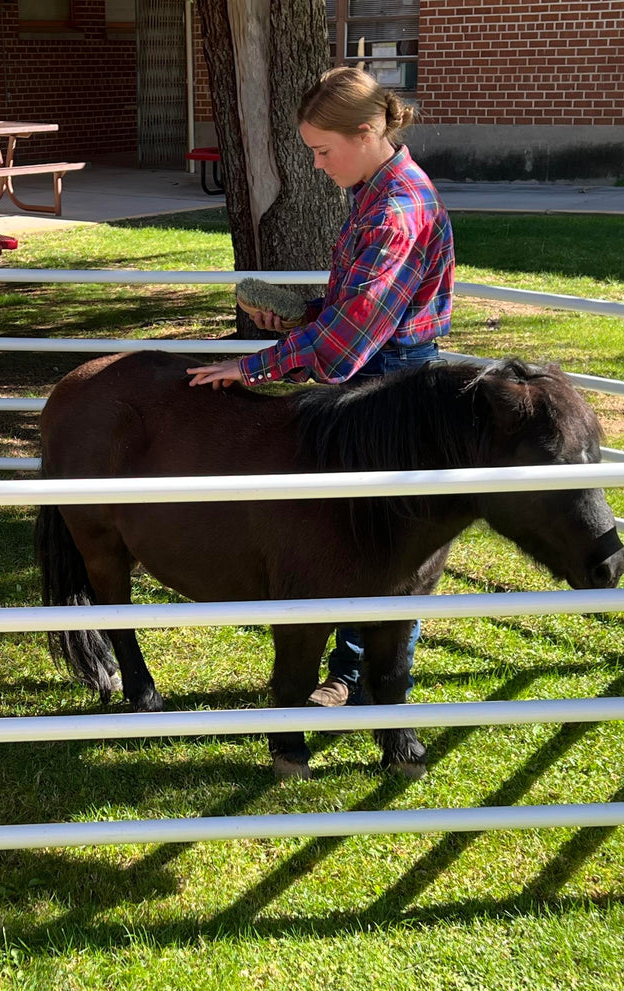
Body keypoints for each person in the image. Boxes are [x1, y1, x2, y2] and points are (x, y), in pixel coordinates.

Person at [187, 66, 455, 708]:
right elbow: (355, 308)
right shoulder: (378, 189)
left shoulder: (396, 210)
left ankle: (368, 678)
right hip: (385, 367)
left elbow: (348, 342)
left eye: (321, 150)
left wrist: (250, 367)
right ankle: (354, 670)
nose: (315, 163)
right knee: (360, 529)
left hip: (393, 381)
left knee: (388, 539)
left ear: (365, 133)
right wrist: (304, 313)